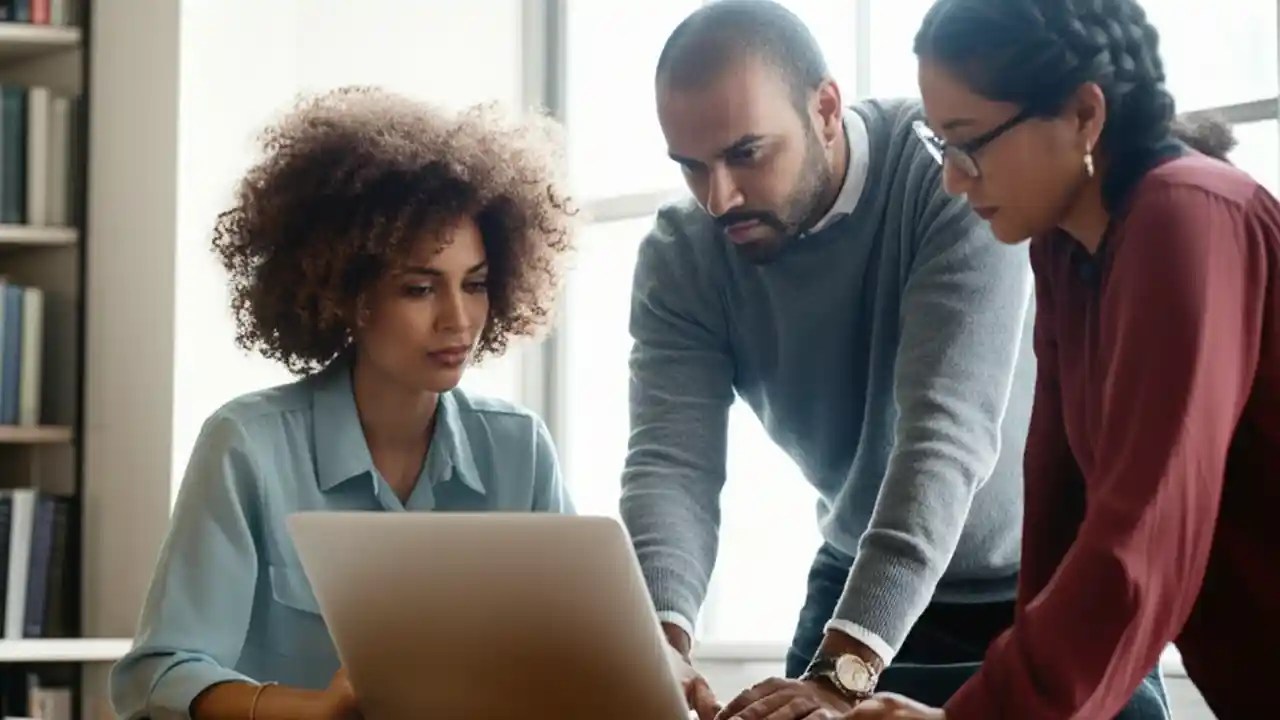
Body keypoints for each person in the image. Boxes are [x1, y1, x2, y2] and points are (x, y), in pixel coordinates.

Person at [847, 0, 1279, 718]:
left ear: (1084, 113)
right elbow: (1058, 508)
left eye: (970, 142)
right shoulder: (1063, 244)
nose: (953, 179)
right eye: (938, 145)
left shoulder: (1190, 216)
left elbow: (1144, 538)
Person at [621, 1, 1042, 717]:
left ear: (824, 109)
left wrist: (841, 675)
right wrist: (661, 641)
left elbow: (945, 435)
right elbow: (671, 464)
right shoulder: (681, 254)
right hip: (858, 569)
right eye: (692, 167)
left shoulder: (951, 176)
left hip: (1041, 580)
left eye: (746, 154)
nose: (718, 197)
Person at [110, 86, 576, 720]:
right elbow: (158, 675)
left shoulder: (519, 450)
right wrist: (310, 710)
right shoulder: (248, 445)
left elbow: (579, 652)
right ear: (346, 294)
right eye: (419, 288)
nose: (459, 320)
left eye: (476, 285)